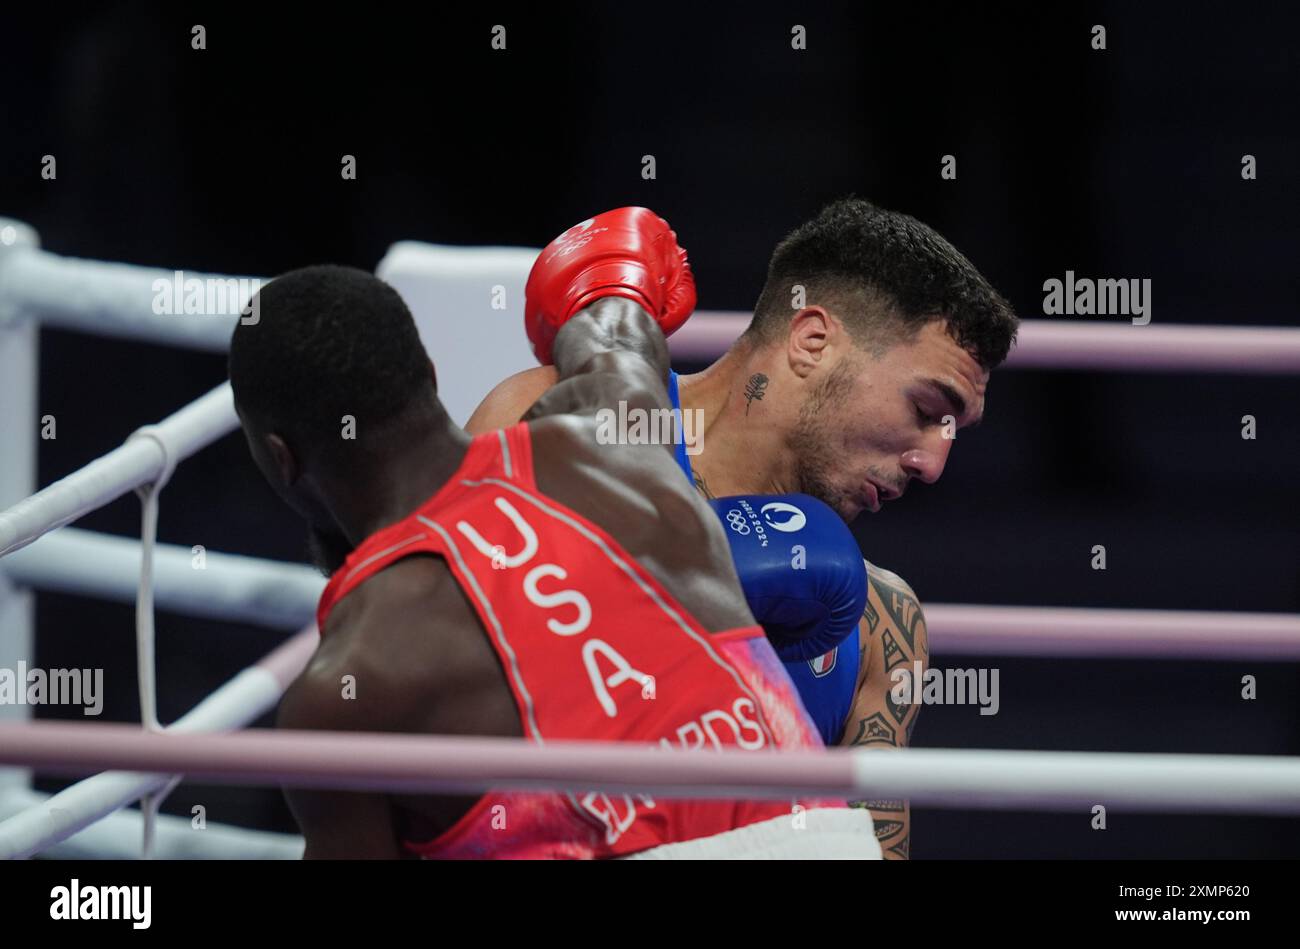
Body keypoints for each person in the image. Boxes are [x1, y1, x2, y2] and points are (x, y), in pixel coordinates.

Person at [227, 214, 875, 858]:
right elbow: (616, 320)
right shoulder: (613, 439)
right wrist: (607, 282)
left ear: (282, 459)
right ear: (428, 372)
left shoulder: (346, 684)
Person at [466, 198, 1020, 859]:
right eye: (927, 408)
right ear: (812, 341)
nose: (932, 463)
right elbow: (427, 680)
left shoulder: (884, 627)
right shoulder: (557, 423)